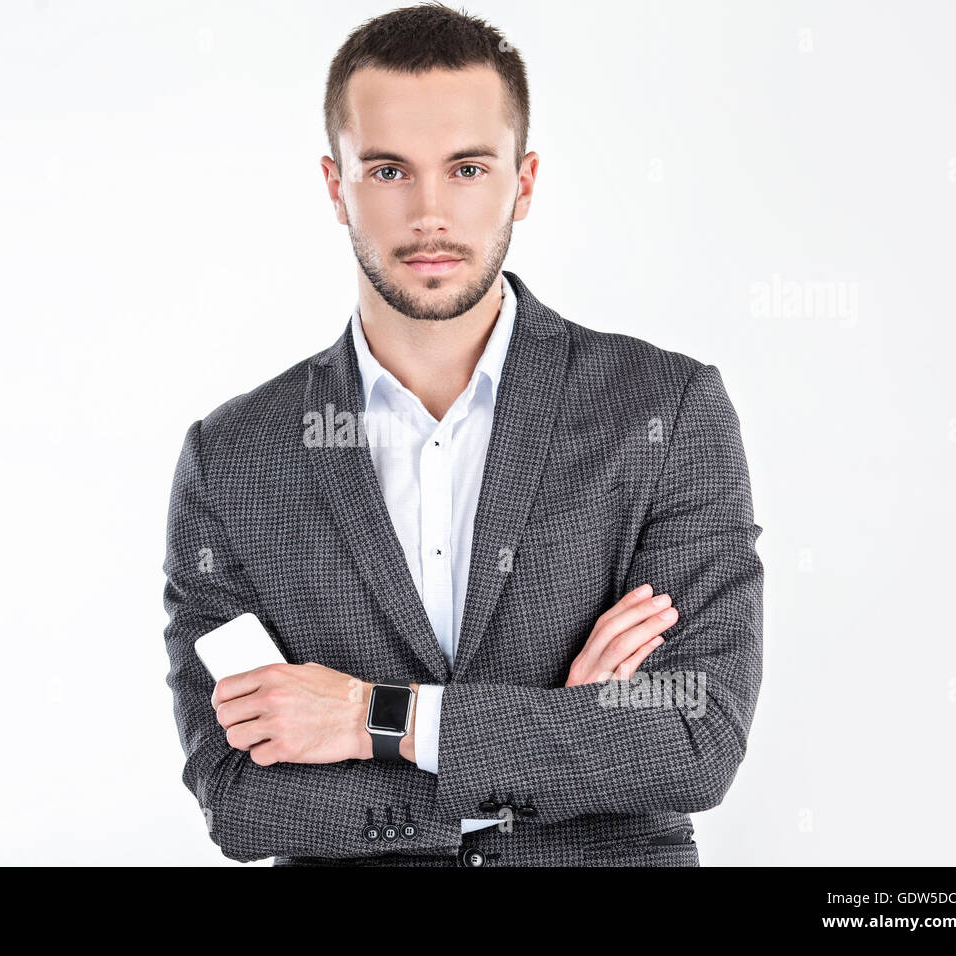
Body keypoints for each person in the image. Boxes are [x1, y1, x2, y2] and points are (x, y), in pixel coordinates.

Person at [162, 2, 763, 867]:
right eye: (389, 171)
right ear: (337, 187)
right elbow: (242, 801)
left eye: (469, 168)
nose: (431, 213)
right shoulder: (233, 460)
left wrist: (378, 718)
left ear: (523, 181)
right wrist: (555, 735)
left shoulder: (664, 412)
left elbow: (692, 737)